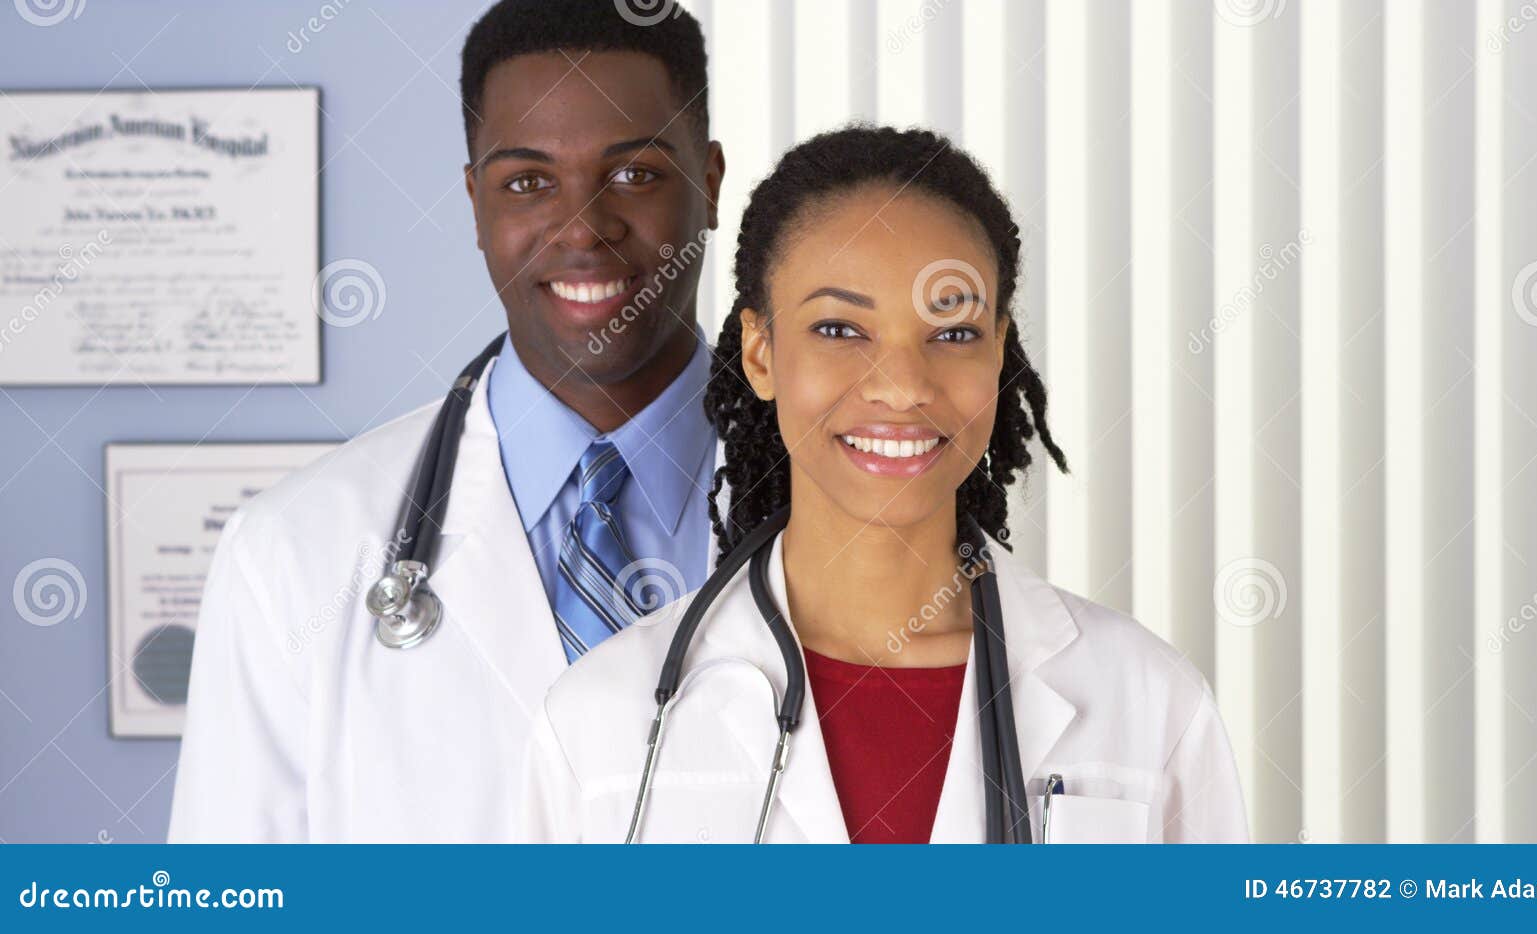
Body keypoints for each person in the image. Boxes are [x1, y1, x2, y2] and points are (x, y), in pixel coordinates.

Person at [521, 125, 1250, 844]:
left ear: (999, 351)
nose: (902, 387)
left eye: (954, 332)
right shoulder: (602, 725)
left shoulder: (1148, 706)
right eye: (840, 331)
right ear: (760, 352)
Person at [169, 0, 726, 841]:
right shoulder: (292, 553)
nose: (583, 229)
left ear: (710, 184)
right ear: (474, 203)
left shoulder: (872, 516)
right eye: (528, 182)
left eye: (636, 174)